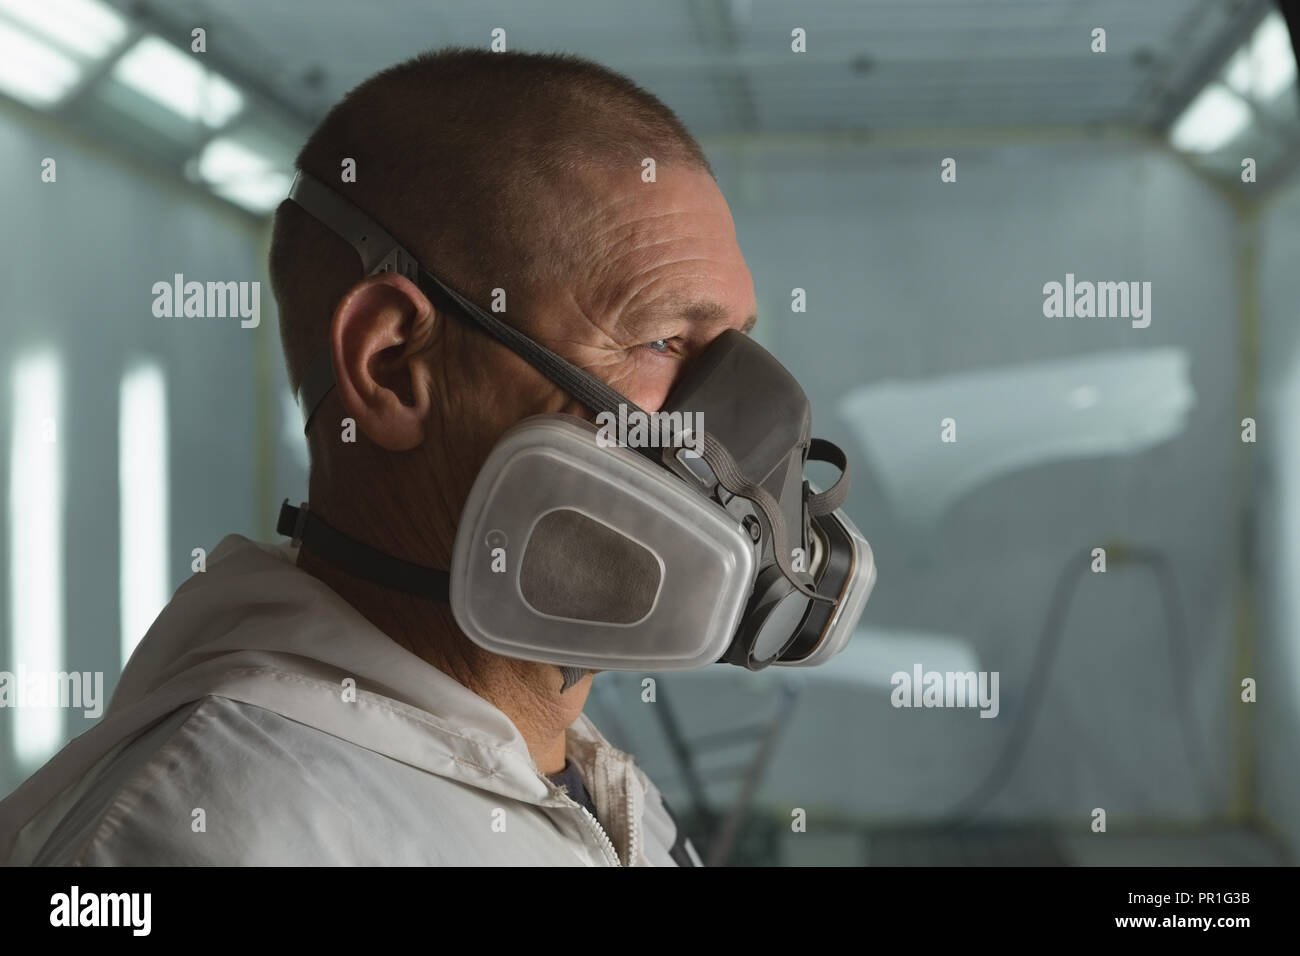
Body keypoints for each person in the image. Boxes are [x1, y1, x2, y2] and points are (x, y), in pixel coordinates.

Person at [0, 47, 762, 865]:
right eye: (663, 341)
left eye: (735, 355)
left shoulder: (571, 771)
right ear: (392, 367)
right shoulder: (207, 835)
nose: (735, 431)